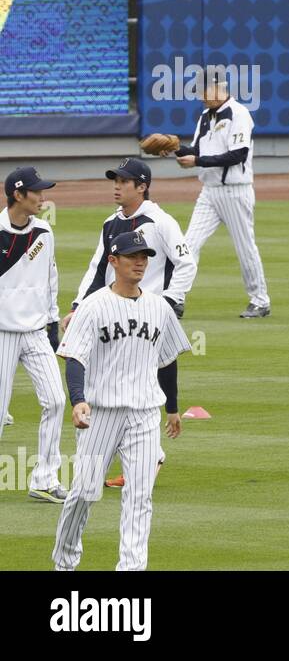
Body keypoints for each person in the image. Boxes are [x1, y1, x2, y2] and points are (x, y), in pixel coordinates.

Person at [52, 230, 191, 570]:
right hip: (100, 413)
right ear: (113, 261)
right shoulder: (93, 306)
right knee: (84, 493)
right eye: (132, 256)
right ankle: (65, 561)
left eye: (144, 256)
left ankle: (131, 569)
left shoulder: (159, 307)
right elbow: (75, 357)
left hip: (145, 414)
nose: (140, 262)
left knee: (140, 496)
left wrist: (172, 408)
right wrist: (78, 400)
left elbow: (167, 359)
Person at [173, 74, 271, 318]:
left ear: (220, 88)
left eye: (205, 90)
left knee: (245, 248)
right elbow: (197, 150)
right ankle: (176, 297)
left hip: (235, 191)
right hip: (209, 193)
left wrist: (197, 160)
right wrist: (174, 148)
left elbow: (237, 154)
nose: (201, 96)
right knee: (188, 245)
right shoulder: (205, 117)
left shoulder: (239, 114)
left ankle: (260, 300)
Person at [0, 167, 66, 503]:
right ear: (18, 195)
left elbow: (50, 277)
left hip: (37, 332)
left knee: (56, 400)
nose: (42, 197)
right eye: (36, 192)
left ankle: (45, 479)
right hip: (2, 334)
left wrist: (53, 324)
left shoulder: (43, 230)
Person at [68, 158, 196, 324]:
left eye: (124, 181)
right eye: (115, 181)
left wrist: (169, 301)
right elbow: (98, 270)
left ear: (142, 187)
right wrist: (78, 307)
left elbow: (186, 264)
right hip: (114, 314)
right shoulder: (110, 223)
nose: (116, 186)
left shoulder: (161, 221)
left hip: (152, 316)